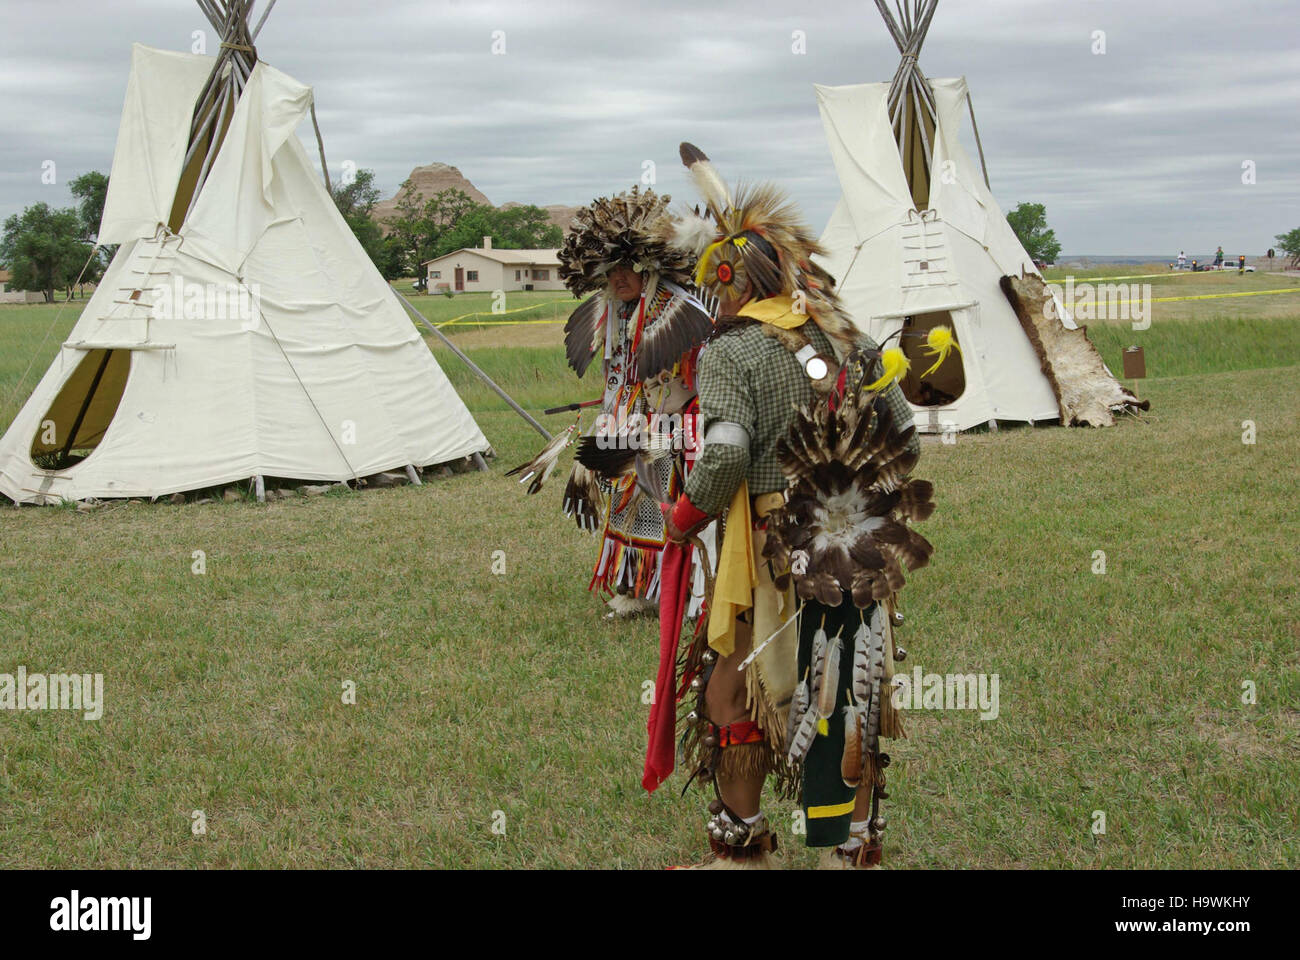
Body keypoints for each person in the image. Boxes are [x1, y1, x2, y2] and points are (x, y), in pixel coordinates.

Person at [655, 144, 939, 869]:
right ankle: (852, 850)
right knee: (852, 689)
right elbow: (904, 431)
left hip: (772, 551)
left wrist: (685, 516)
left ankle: (740, 853)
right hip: (857, 545)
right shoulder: (843, 334)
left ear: (728, 281)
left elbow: (722, 453)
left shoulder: (729, 352)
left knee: (737, 695)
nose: (711, 304)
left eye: (712, 288)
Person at [546, 186, 715, 619]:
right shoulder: (611, 312)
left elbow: (690, 372)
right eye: (611, 271)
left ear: (650, 268)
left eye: (629, 268)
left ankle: (679, 587)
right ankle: (633, 587)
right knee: (624, 506)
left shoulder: (677, 309)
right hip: (621, 425)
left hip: (665, 430)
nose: (618, 278)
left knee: (663, 508)